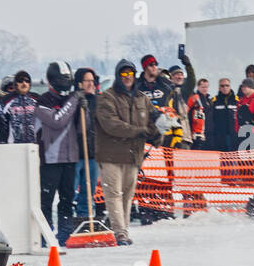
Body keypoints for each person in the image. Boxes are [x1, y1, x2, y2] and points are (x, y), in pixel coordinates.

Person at [95, 59, 164, 246]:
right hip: (111, 155)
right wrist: (138, 131)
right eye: (124, 74)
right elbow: (111, 125)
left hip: (133, 155)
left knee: (127, 195)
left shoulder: (142, 98)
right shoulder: (107, 98)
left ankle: (122, 229)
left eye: (130, 74)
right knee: (114, 194)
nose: (127, 78)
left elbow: (150, 121)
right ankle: (120, 233)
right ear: (118, 76)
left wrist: (157, 136)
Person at [36, 61, 85, 243]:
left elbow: (82, 129)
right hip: (49, 159)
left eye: (67, 79)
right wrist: (74, 101)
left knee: (67, 198)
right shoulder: (43, 101)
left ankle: (65, 233)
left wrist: (83, 109)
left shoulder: (71, 100)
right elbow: (57, 120)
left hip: (70, 157)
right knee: (46, 200)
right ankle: (44, 233)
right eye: (62, 79)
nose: (65, 82)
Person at [72, 67, 100, 223]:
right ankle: (68, 221)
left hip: (93, 154)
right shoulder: (73, 100)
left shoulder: (98, 101)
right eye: (87, 81)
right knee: (71, 192)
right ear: (79, 83)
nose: (91, 84)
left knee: (88, 193)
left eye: (92, 81)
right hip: (76, 154)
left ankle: (85, 220)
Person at [0, 69, 39, 143]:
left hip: (34, 145)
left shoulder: (37, 99)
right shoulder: (6, 101)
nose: (24, 83)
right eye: (20, 81)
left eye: (27, 81)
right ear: (16, 84)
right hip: (14, 147)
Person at [210, 77, 240, 153]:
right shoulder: (214, 101)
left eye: (227, 85)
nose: (225, 88)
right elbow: (211, 119)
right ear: (219, 88)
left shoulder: (237, 100)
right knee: (223, 159)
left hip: (234, 135)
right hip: (220, 136)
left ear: (230, 87)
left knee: (233, 158)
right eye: (222, 86)